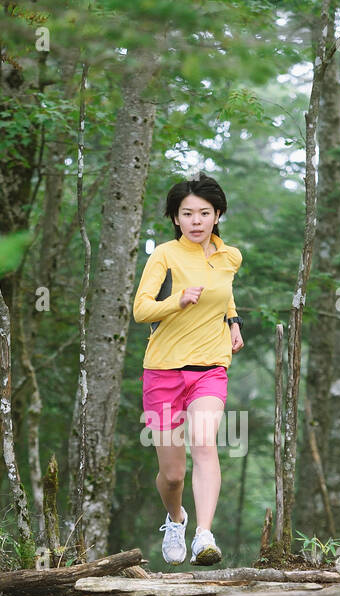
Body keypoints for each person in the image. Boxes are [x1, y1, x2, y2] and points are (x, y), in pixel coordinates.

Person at [132, 173, 244, 565]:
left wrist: (234, 322)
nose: (196, 221)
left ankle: (204, 535)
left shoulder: (230, 257)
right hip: (162, 370)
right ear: (176, 219)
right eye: (187, 214)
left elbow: (224, 294)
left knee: (204, 443)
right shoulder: (164, 254)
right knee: (173, 474)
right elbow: (141, 309)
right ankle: (176, 518)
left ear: (217, 215)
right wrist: (176, 301)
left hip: (210, 367)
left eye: (204, 213)